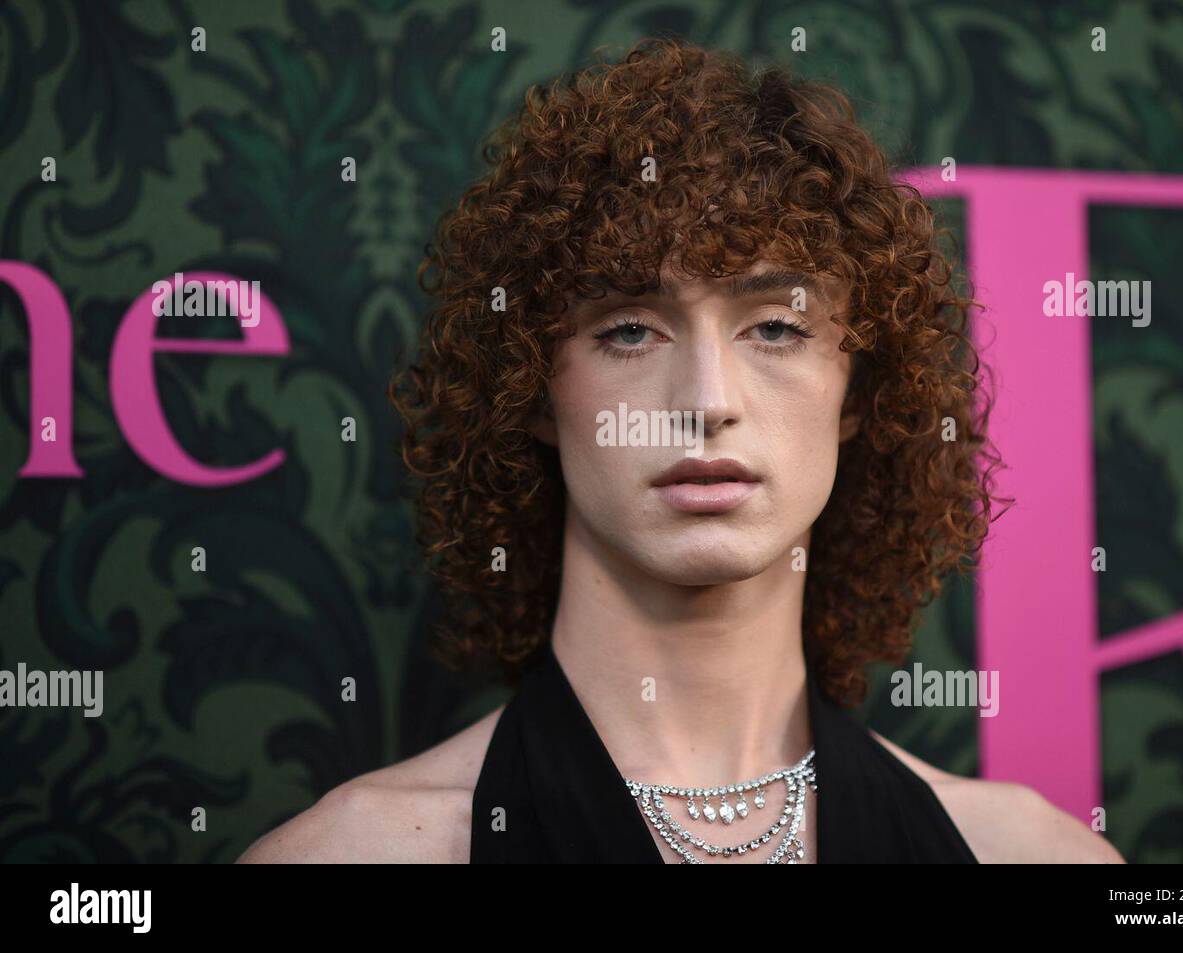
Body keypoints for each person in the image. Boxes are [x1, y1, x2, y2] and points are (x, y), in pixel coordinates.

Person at [239, 37, 1123, 864]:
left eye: (776, 327)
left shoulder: (1031, 854)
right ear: (534, 390)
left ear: (860, 390)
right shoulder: (358, 853)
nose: (706, 403)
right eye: (630, 330)